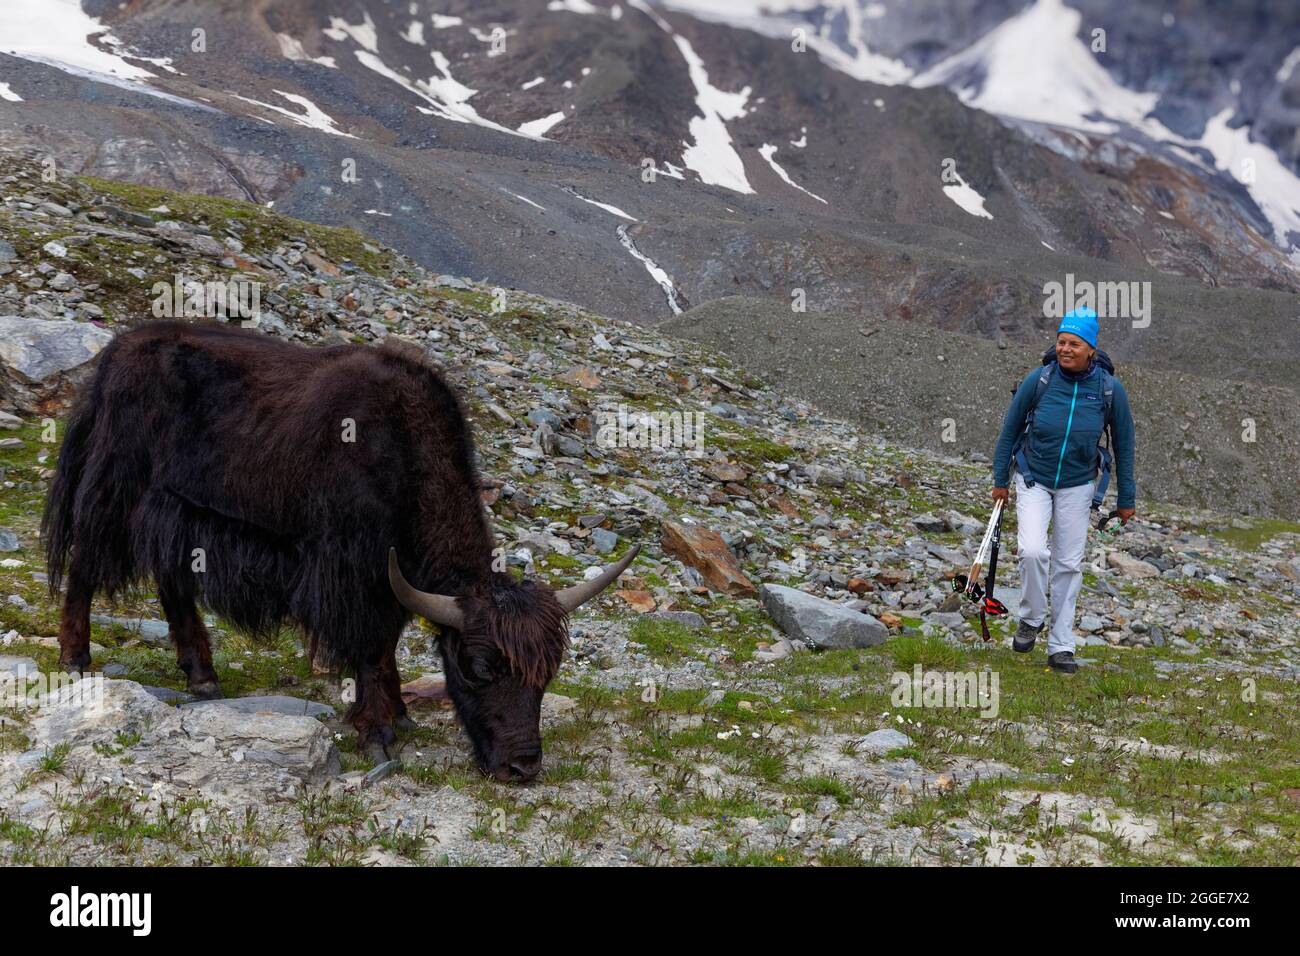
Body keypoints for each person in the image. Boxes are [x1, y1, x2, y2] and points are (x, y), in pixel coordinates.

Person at [991, 307, 1135, 673]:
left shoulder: (1108, 390)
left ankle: (1061, 647)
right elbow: (1009, 431)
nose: (1065, 349)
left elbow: (1124, 444)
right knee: (1032, 551)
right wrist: (999, 480)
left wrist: (1127, 500)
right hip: (1033, 477)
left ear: (1091, 349)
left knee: (1069, 565)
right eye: (1061, 342)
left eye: (1074, 343)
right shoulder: (1039, 380)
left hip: (1078, 484)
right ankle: (1032, 618)